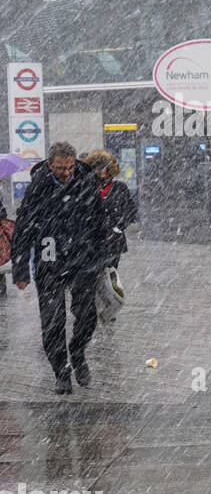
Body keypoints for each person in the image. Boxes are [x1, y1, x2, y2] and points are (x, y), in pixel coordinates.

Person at [11, 142, 112, 393]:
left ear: (75, 163)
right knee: (53, 322)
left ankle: (77, 353)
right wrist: (21, 270)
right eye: (59, 168)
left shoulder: (86, 182)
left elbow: (100, 223)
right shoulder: (38, 187)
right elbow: (23, 228)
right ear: (49, 164)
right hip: (49, 263)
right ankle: (61, 370)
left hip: (83, 261)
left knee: (87, 316)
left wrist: (103, 259)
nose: (65, 173)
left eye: (69, 168)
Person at [82, 150, 138, 268]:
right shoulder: (87, 187)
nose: (101, 170)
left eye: (104, 167)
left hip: (113, 241)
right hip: (91, 240)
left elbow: (131, 210)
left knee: (110, 273)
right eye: (97, 167)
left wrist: (118, 229)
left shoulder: (120, 187)